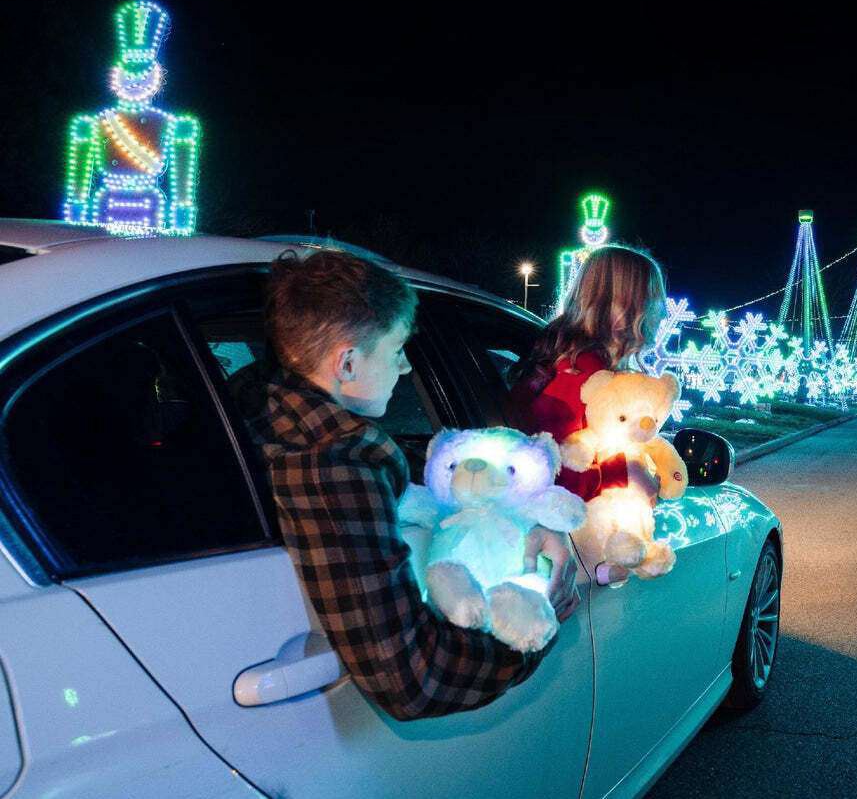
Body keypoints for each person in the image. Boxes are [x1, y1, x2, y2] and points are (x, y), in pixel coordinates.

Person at [233, 248, 579, 721]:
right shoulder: (336, 463)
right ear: (347, 364)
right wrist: (534, 632)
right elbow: (413, 679)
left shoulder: (265, 414)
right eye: (397, 351)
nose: (406, 368)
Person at [506, 244, 666, 586]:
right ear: (624, 304)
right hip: (561, 560)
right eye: (652, 298)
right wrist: (629, 472)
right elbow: (559, 477)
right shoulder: (582, 375)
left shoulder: (566, 360)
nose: (661, 311)